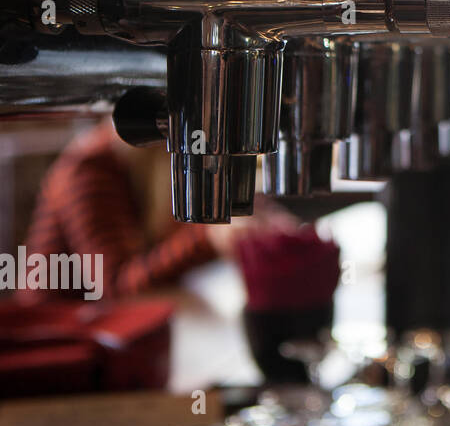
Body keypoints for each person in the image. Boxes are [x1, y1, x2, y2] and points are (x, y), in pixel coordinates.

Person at [23, 119, 289, 301]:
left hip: (125, 339)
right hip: (55, 344)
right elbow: (117, 289)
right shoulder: (90, 170)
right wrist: (206, 239)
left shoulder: (166, 163)